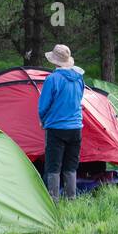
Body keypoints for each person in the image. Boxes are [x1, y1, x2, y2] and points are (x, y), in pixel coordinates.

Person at [36, 44, 84, 200]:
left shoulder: (52, 79)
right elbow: (79, 99)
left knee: (53, 166)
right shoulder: (79, 79)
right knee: (71, 166)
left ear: (54, 61)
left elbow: (44, 105)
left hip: (56, 128)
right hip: (76, 127)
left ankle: (53, 201)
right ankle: (71, 199)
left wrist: (42, 120)